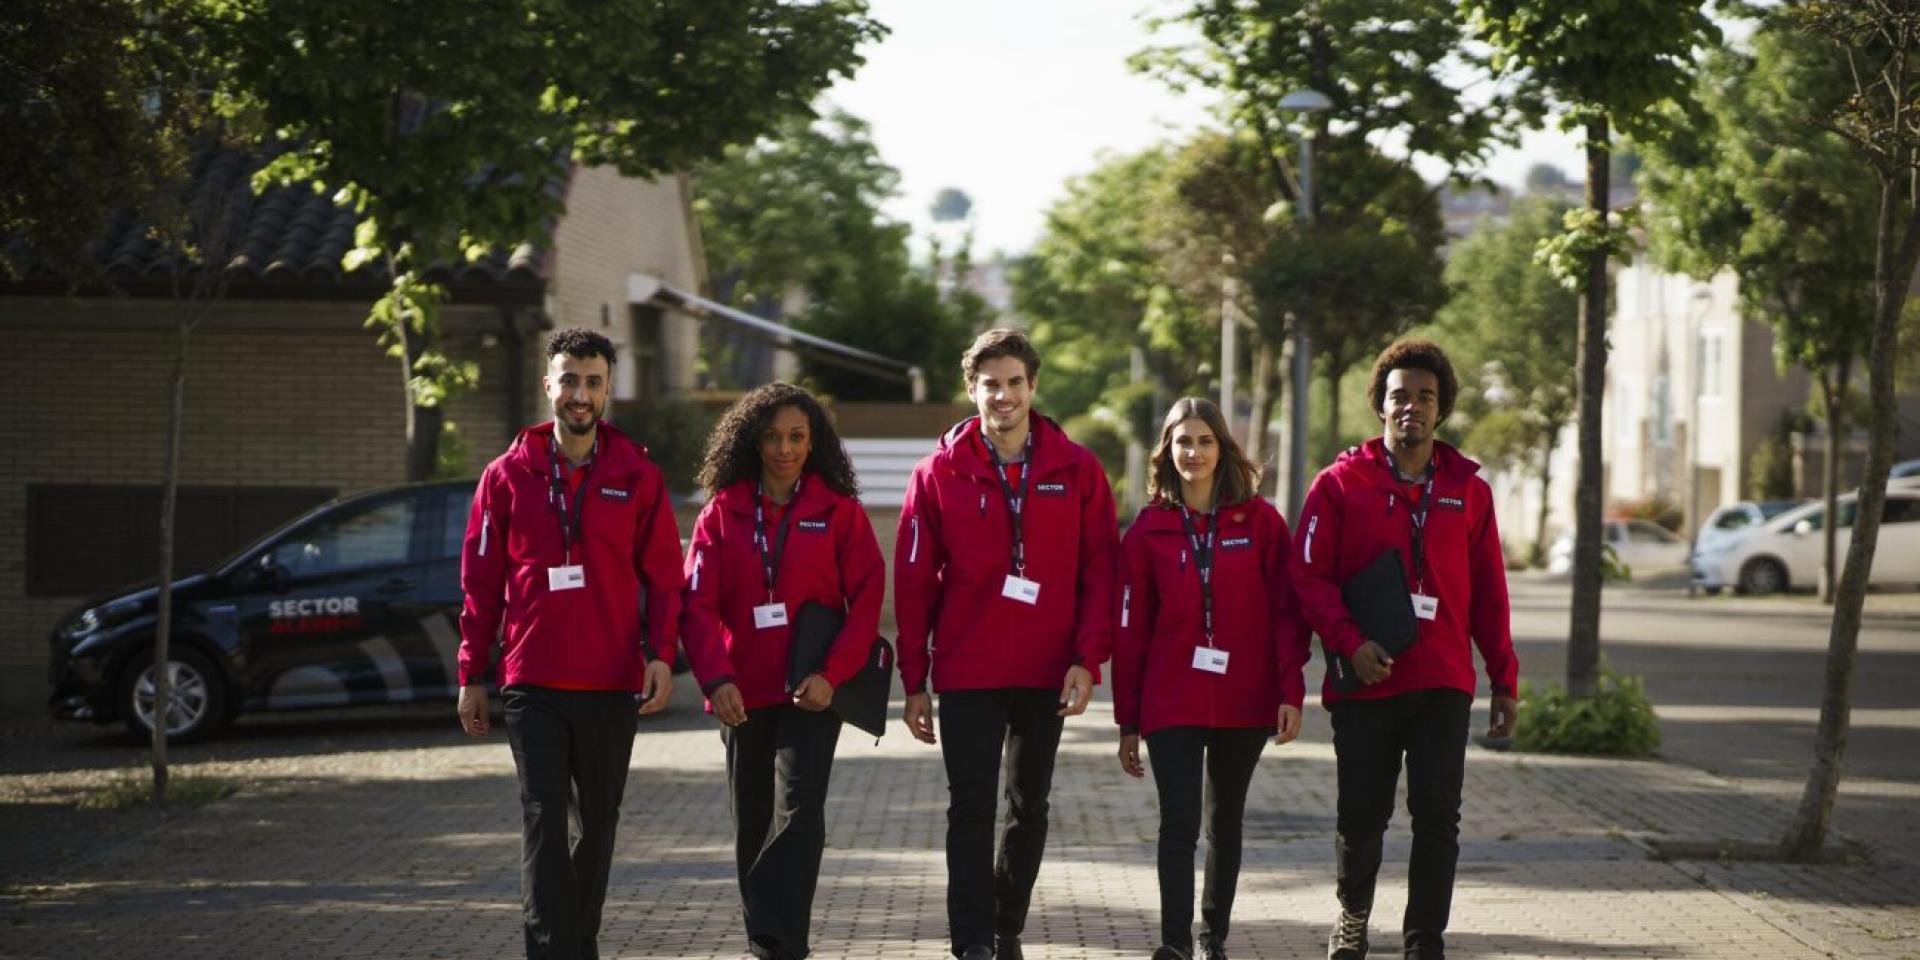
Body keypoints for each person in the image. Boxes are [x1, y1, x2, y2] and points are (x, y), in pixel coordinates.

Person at [455, 328, 685, 960]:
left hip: (613, 680)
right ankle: (554, 950)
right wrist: (473, 672)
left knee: (599, 826)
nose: (579, 395)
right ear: (548, 385)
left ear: (608, 388)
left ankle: (576, 941)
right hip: (534, 681)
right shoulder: (505, 477)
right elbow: (479, 585)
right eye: (569, 380)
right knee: (543, 821)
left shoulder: (637, 476)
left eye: (592, 382)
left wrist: (660, 653)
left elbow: (666, 577)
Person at [894, 328, 1119, 960]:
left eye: (1014, 382)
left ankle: (1006, 924)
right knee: (969, 808)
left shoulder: (1077, 469)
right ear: (971, 390)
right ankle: (971, 941)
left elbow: (1101, 568)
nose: (1003, 395)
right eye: (990, 384)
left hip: (1049, 669)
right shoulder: (937, 473)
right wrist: (915, 680)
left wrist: (1087, 659)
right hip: (968, 671)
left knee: (1030, 805)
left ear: (1033, 387)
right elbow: (912, 585)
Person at [1292, 338, 1519, 960]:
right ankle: (1353, 917)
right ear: (1380, 405)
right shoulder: (1340, 484)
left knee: (1437, 817)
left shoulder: (1469, 489)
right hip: (1365, 681)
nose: (1411, 407)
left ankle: (1425, 940)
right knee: (1362, 818)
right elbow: (1308, 576)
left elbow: (1489, 594)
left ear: (1440, 408)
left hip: (1442, 681)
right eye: (1400, 397)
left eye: (1425, 397)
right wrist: (1349, 642)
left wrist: (1504, 678)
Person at [679, 383, 885, 960]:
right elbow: (694, 604)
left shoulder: (839, 514)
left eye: (796, 437)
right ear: (753, 441)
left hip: (811, 693)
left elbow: (867, 599)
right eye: (772, 437)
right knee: (751, 820)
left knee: (798, 814)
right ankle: (763, 943)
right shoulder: (722, 513)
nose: (784, 449)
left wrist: (833, 674)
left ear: (813, 442)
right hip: (742, 693)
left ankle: (784, 942)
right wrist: (716, 679)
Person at [1114, 397, 1312, 960]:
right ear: (1167, 451)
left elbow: (1286, 613)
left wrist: (1290, 690)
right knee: (1178, 823)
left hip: (1245, 697)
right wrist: (1129, 719)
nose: (1193, 452)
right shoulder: (1148, 531)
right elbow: (1130, 634)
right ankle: (1174, 943)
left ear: (1221, 449)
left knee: (1225, 822)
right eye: (1183, 442)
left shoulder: (1262, 523)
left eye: (1204, 441)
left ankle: (1212, 939)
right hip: (1171, 698)